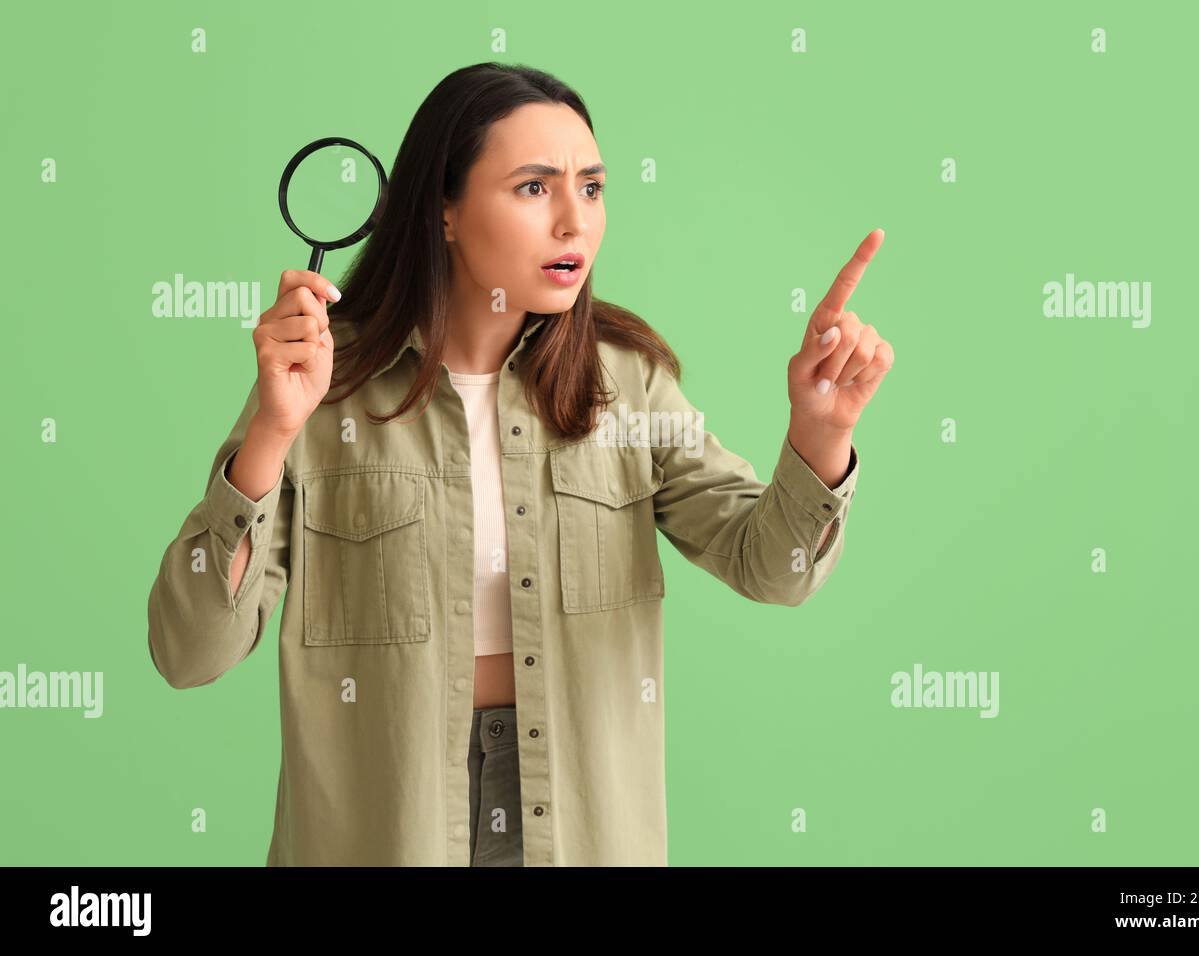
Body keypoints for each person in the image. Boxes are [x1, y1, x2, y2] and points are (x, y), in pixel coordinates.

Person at [146, 62, 894, 867]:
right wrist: (272, 430)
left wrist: (820, 434)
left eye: (593, 187)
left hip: (576, 828)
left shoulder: (628, 386)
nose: (575, 220)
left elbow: (774, 569)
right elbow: (189, 653)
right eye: (535, 189)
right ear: (445, 213)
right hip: (386, 828)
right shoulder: (325, 395)